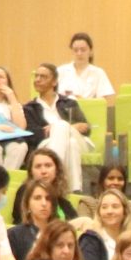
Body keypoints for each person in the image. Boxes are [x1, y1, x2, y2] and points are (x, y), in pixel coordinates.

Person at [22, 63, 89, 191]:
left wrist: (57, 127)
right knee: (71, 144)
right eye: (36, 76)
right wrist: (67, 127)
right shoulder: (29, 108)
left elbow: (86, 128)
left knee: (62, 126)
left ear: (54, 82)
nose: (38, 79)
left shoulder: (69, 103)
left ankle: (55, 176)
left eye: (43, 77)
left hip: (79, 141)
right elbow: (32, 135)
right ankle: (74, 190)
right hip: (46, 144)